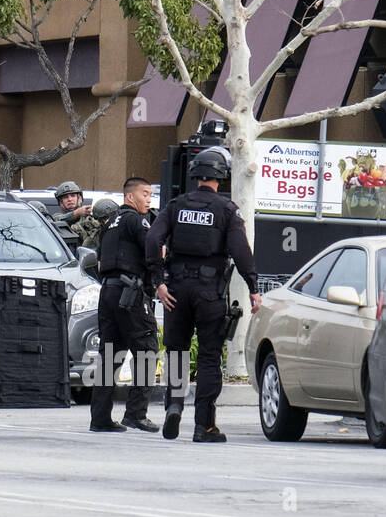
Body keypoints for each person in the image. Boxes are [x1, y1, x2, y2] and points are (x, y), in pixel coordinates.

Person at [146, 147, 260, 443]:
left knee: (177, 353)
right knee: (209, 358)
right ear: (221, 177)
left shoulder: (175, 205)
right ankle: (204, 426)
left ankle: (173, 405)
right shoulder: (227, 210)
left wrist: (158, 281)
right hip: (209, 292)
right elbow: (241, 251)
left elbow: (153, 238)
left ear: (195, 174)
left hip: (176, 290)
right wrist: (253, 288)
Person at [89, 178, 159, 434]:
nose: (149, 199)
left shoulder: (110, 223)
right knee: (148, 349)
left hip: (108, 292)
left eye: (150, 194)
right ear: (130, 197)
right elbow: (153, 252)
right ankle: (136, 414)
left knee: (110, 356)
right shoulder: (136, 220)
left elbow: (97, 262)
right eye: (145, 193)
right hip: (130, 293)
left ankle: (100, 418)